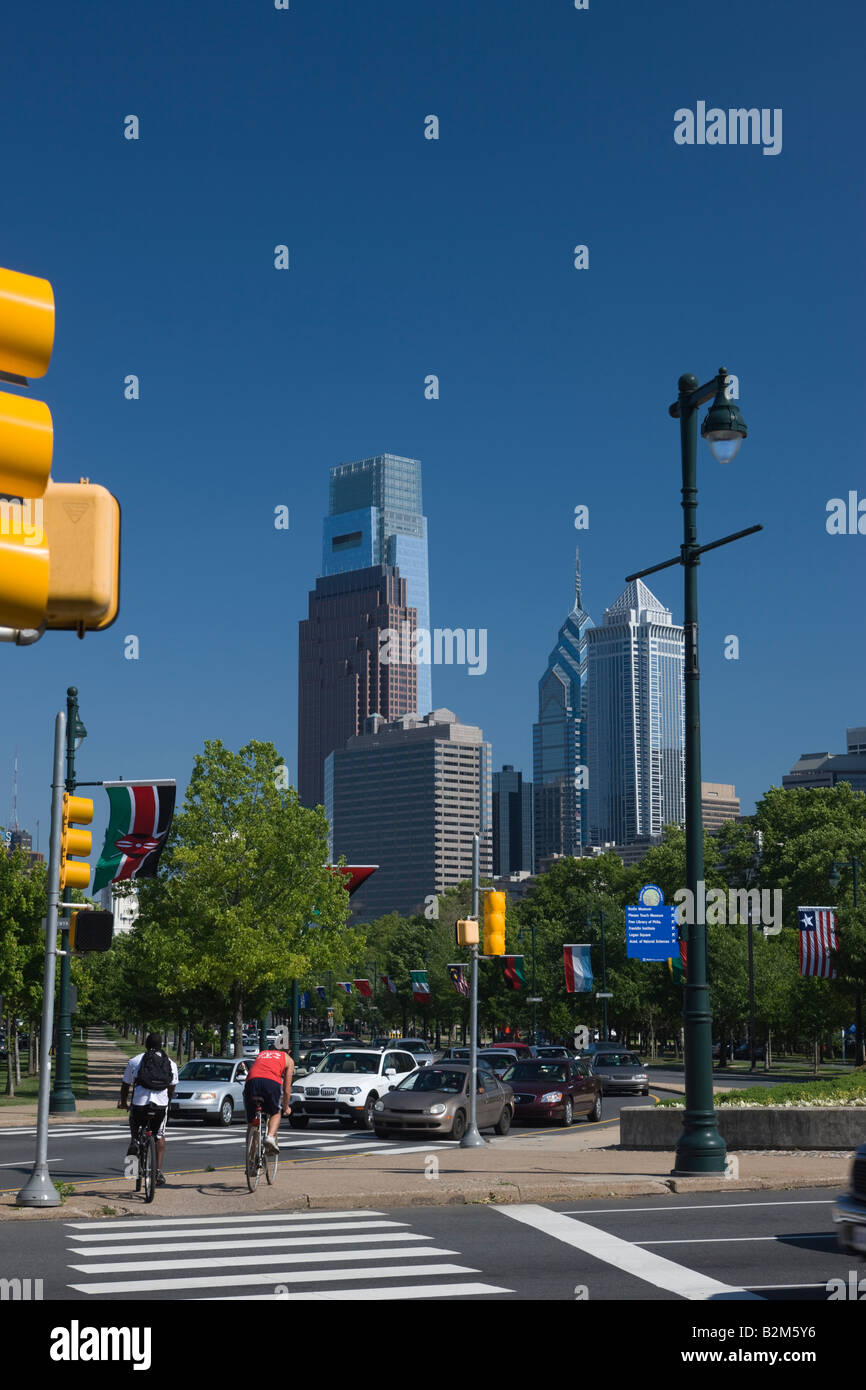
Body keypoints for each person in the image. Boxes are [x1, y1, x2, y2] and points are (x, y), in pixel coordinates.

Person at [119, 1031, 179, 1187]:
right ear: (161, 1045)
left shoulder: (135, 1061)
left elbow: (126, 1084)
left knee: (135, 1123)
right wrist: (168, 1101)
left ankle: (134, 1143)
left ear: (146, 1045)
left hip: (139, 1104)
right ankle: (158, 1172)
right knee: (159, 1135)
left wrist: (124, 1102)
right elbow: (172, 1087)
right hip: (160, 1105)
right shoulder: (170, 1063)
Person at [243, 1025, 294, 1153]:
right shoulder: (288, 1059)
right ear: (289, 1050)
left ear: (274, 1047)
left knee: (252, 1123)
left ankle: (250, 1157)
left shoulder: (262, 1053)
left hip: (251, 1082)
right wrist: (286, 1106)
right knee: (276, 1112)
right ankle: (270, 1137)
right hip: (271, 1083)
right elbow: (287, 1088)